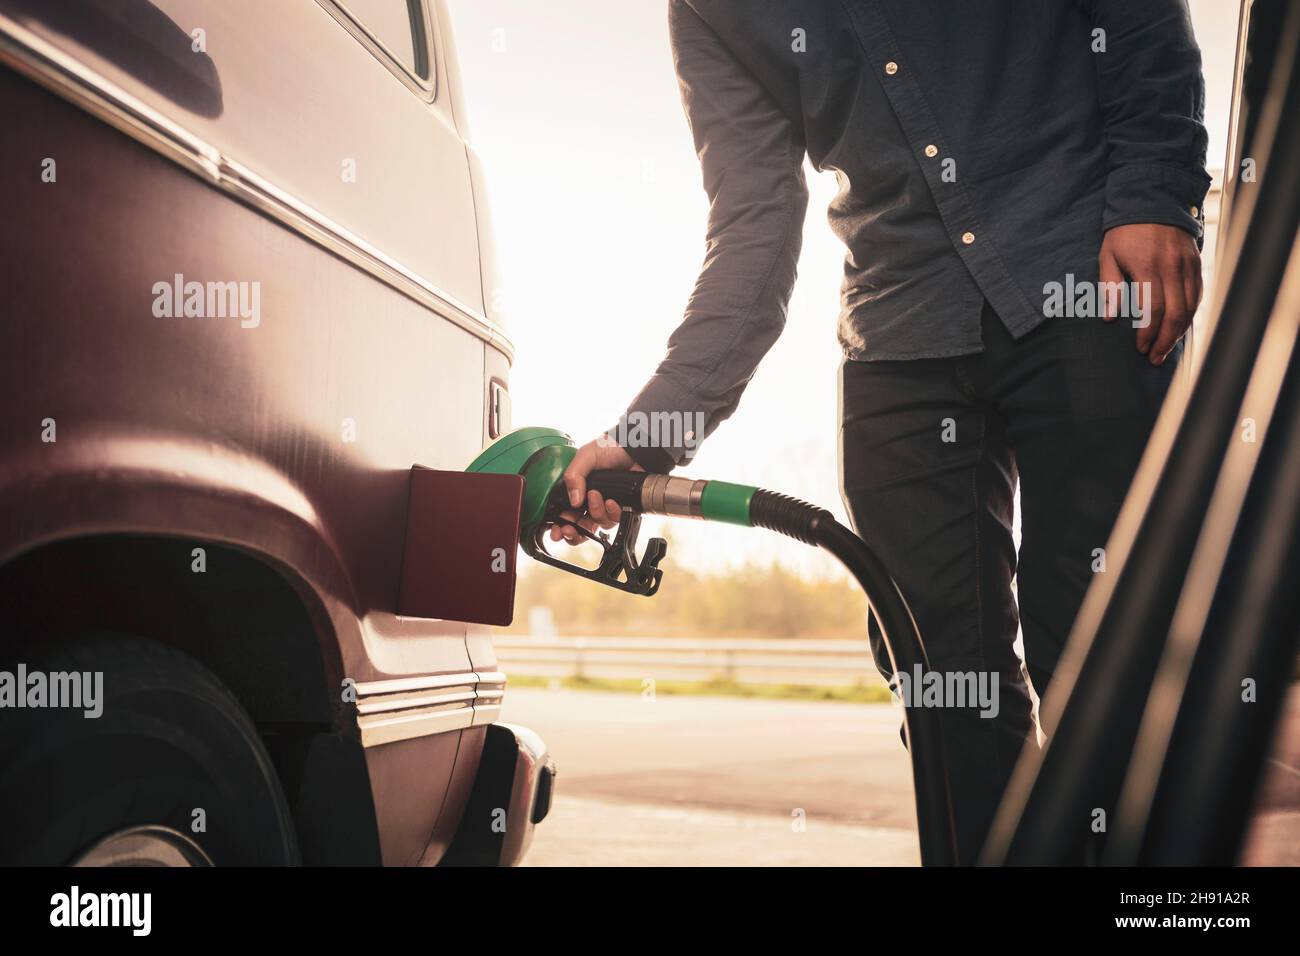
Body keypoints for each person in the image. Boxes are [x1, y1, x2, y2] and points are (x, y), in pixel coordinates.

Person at [554, 0, 1210, 863]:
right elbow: (752, 222)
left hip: (1085, 268)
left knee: (1102, 641)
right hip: (899, 328)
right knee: (940, 682)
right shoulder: (709, 13)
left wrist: (1156, 189)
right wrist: (647, 435)